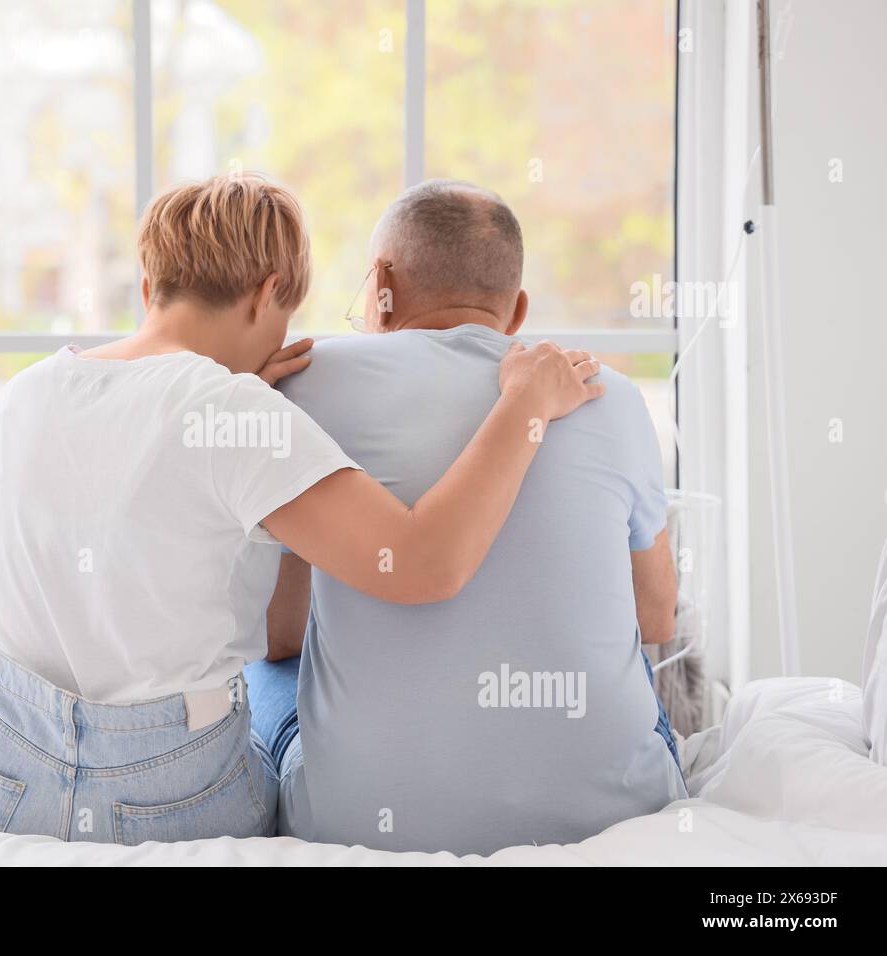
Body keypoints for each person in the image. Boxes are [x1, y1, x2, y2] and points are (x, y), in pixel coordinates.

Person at [0, 173, 602, 845]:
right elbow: (421, 565)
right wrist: (526, 406)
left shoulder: (31, 390)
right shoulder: (239, 411)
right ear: (269, 294)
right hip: (162, 798)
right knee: (280, 684)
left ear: (150, 286)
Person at [257, 179, 686, 854]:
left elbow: (277, 634)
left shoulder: (304, 381)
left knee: (266, 674)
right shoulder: (610, 394)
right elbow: (657, 618)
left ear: (380, 284)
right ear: (516, 310)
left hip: (362, 823)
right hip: (612, 816)